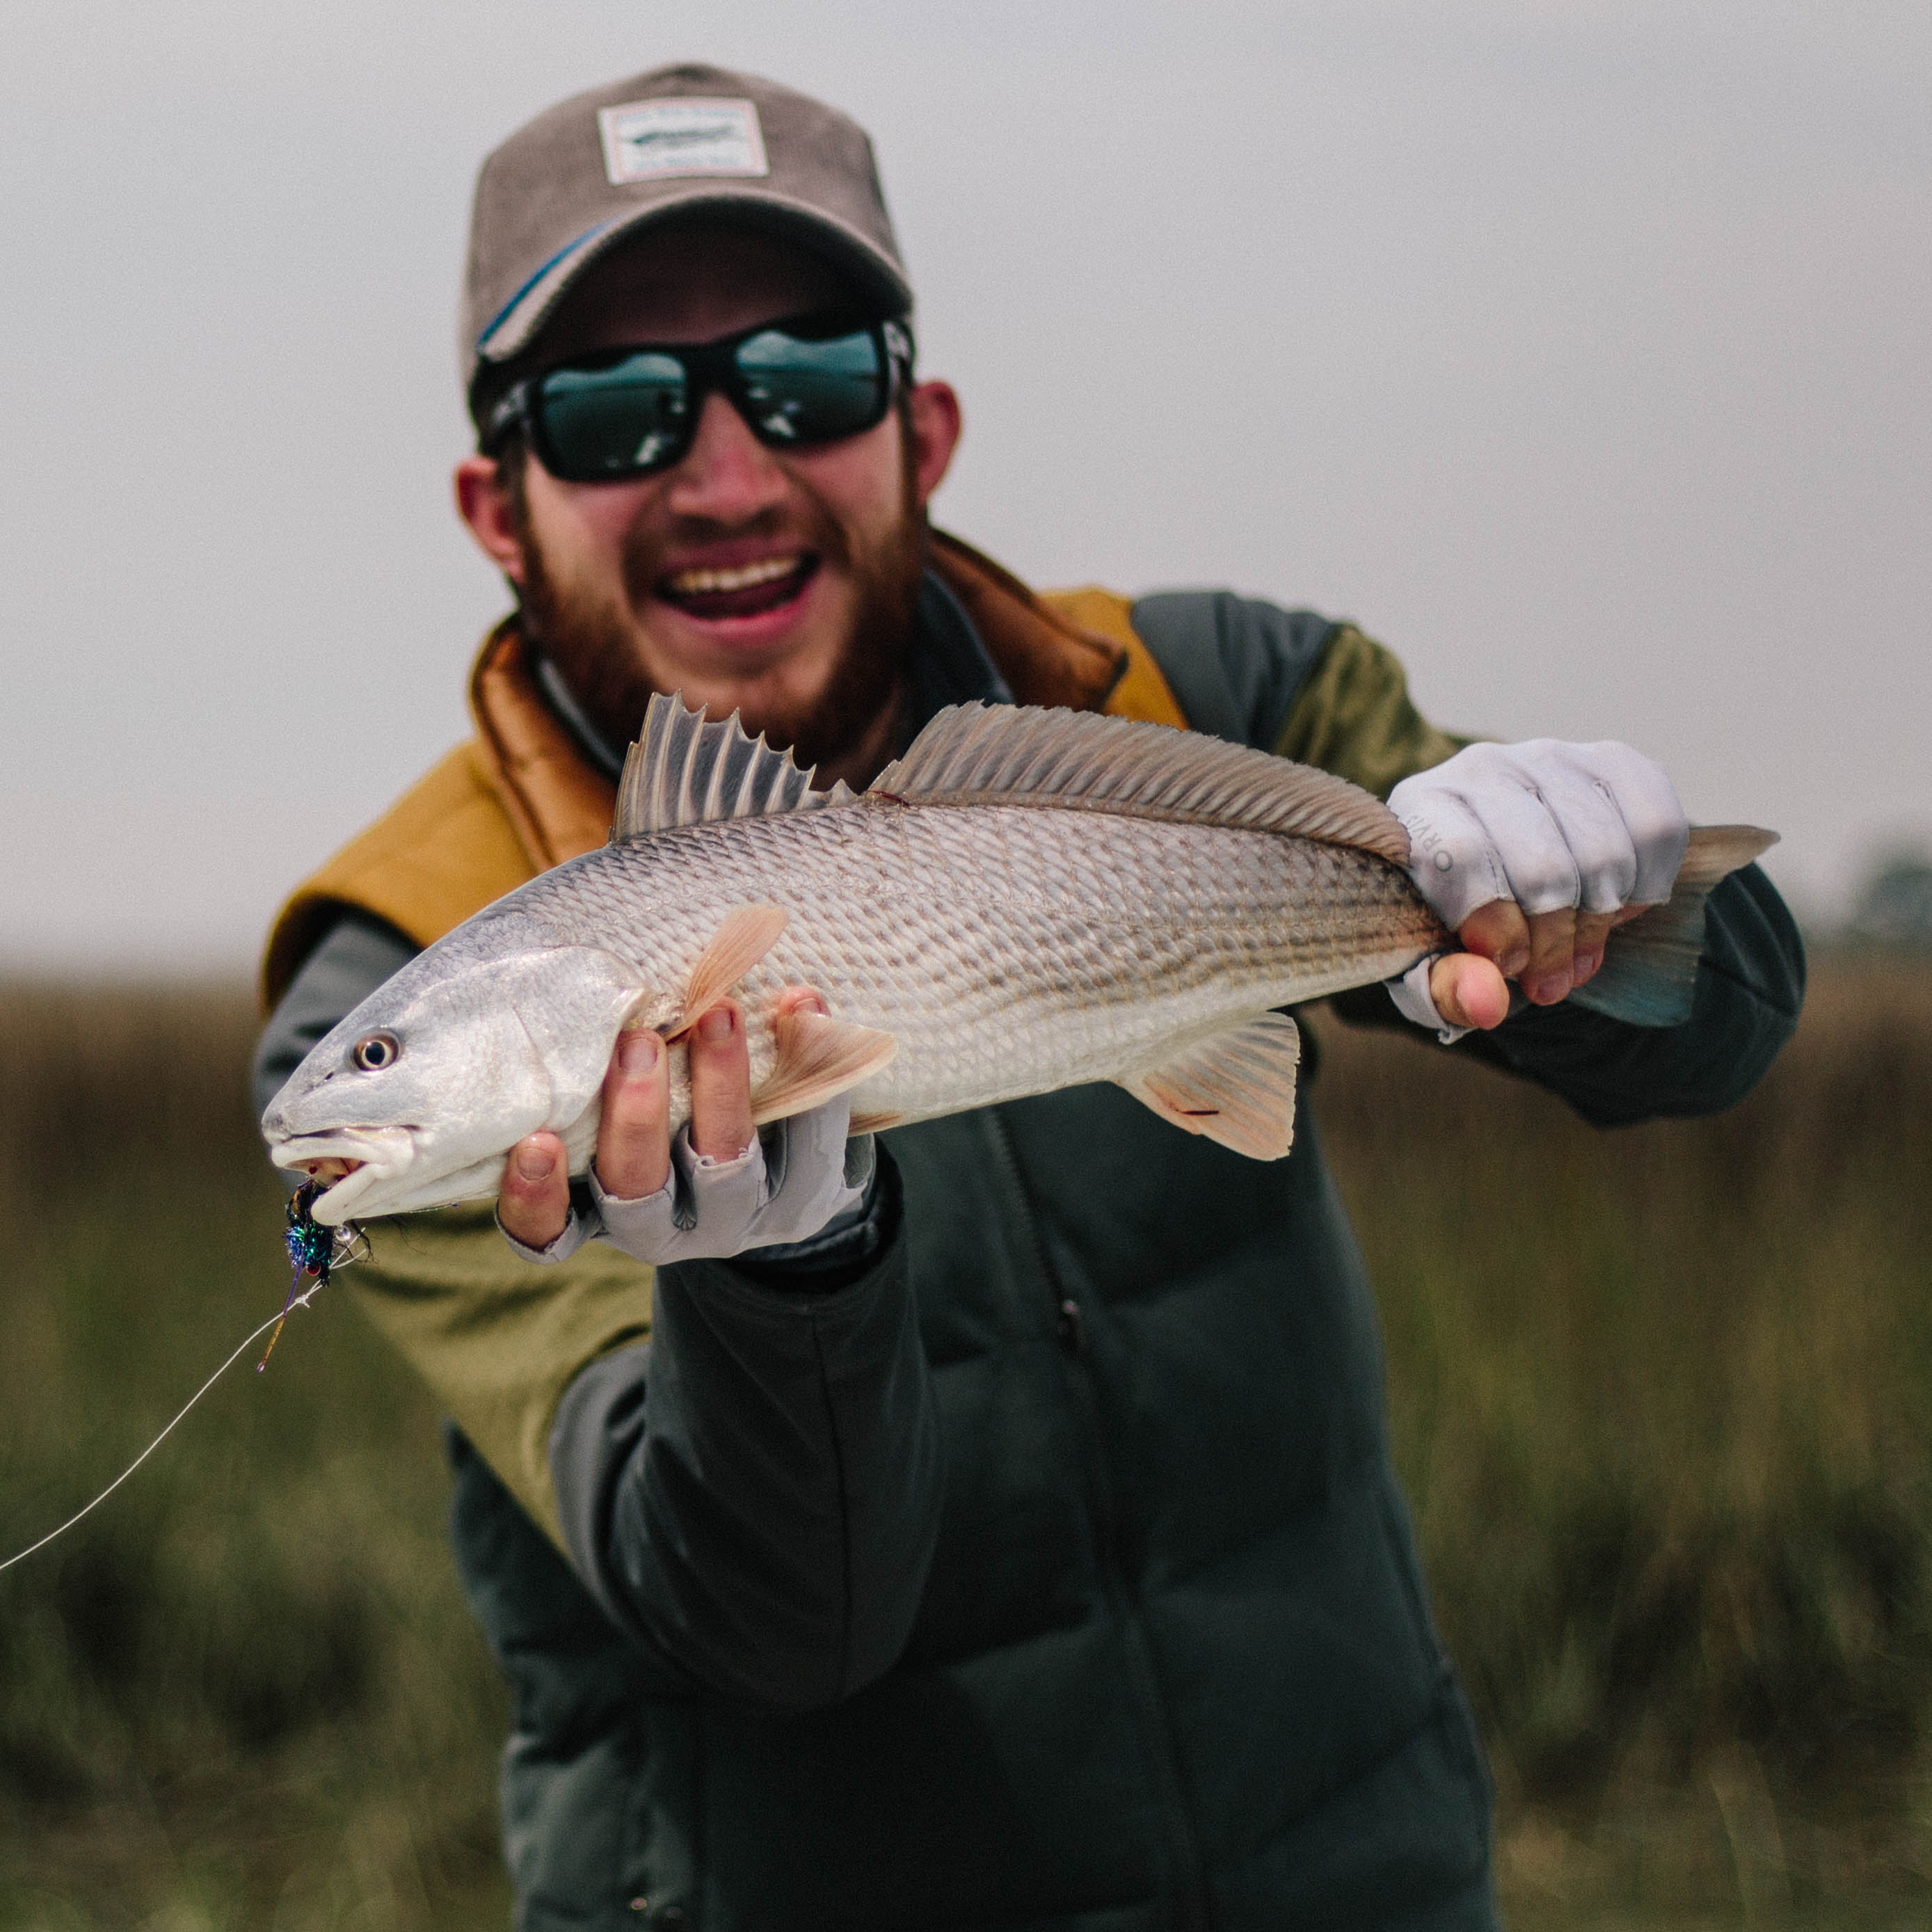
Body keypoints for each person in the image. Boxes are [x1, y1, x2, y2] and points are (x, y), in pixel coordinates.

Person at [253, 63, 1803, 1932]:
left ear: (923, 425)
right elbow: (768, 1619)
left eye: (808, 380)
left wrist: (1604, 908)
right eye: (611, 410)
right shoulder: (390, 954)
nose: (726, 474)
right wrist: (775, 1279)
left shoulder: (1203, 687)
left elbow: (1723, 1012)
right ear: (496, 505)